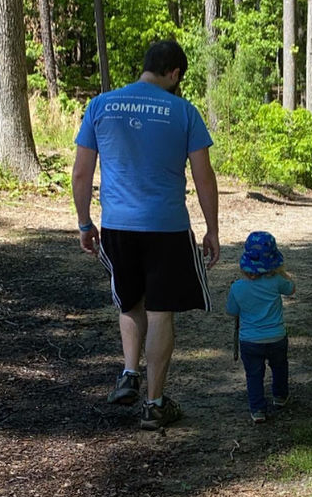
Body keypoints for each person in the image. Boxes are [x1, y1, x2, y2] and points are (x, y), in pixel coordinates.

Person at [72, 39, 219, 431]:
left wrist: (85, 223)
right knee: (160, 313)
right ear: (174, 74)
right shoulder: (184, 111)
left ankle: (128, 373)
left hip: (118, 225)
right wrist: (213, 229)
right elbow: (204, 177)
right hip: (167, 228)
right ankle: (154, 405)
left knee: (129, 302)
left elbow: (82, 172)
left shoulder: (101, 105)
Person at [226, 231, 295, 423]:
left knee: (254, 374)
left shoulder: (237, 287)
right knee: (280, 367)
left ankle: (257, 410)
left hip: (249, 340)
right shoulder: (276, 281)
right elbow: (291, 289)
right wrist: (282, 273)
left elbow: (231, 311)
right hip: (277, 337)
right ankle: (280, 396)